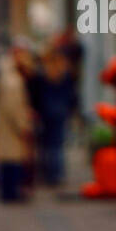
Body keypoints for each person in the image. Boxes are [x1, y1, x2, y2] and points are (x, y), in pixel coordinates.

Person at [0, 45, 32, 202]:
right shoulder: (14, 82)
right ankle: (10, 192)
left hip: (5, 125)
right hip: (12, 127)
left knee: (8, 158)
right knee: (13, 158)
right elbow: (14, 108)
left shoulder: (6, 77)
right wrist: (23, 125)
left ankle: (8, 191)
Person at [35, 46, 75, 187]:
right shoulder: (65, 73)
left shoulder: (43, 73)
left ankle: (49, 173)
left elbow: (38, 94)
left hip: (47, 111)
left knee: (47, 144)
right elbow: (71, 94)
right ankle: (57, 173)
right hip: (60, 111)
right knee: (58, 144)